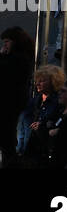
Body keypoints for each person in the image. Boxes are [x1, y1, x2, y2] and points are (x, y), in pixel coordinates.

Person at [0, 27, 35, 162]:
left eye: (7, 42)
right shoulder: (16, 57)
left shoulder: (19, 59)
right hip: (11, 101)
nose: (5, 45)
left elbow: (6, 74)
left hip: (10, 102)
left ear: (16, 42)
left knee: (7, 137)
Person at [22, 65, 64, 162]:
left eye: (42, 81)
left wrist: (44, 125)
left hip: (46, 147)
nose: (37, 84)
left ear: (53, 82)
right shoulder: (36, 99)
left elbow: (59, 122)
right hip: (31, 146)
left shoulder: (58, 101)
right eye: (37, 80)